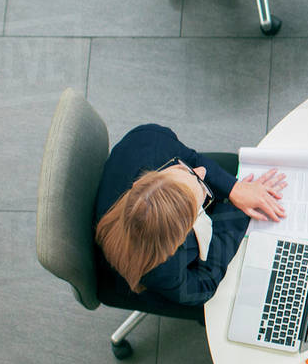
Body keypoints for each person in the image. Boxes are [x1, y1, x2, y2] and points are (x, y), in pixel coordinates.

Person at [94, 124, 286, 319]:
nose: (202, 171)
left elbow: (192, 160)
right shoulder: (161, 267)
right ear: (183, 234)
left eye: (183, 170)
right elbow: (203, 286)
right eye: (200, 184)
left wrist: (234, 189)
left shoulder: (149, 140)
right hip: (132, 281)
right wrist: (238, 212)